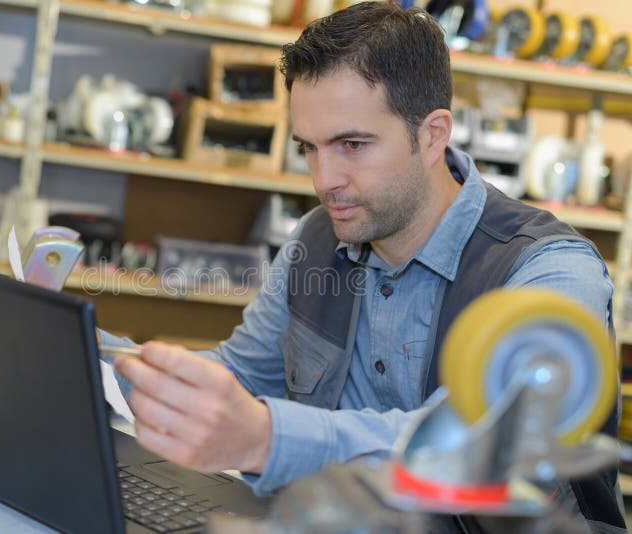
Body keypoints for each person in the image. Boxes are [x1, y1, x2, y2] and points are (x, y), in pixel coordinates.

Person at [101, 2, 625, 531]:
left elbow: (479, 447)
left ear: (433, 134)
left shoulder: (550, 270)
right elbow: (243, 374)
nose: (324, 179)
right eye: (309, 148)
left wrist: (266, 438)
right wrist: (105, 359)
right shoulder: (316, 237)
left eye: (352, 144)